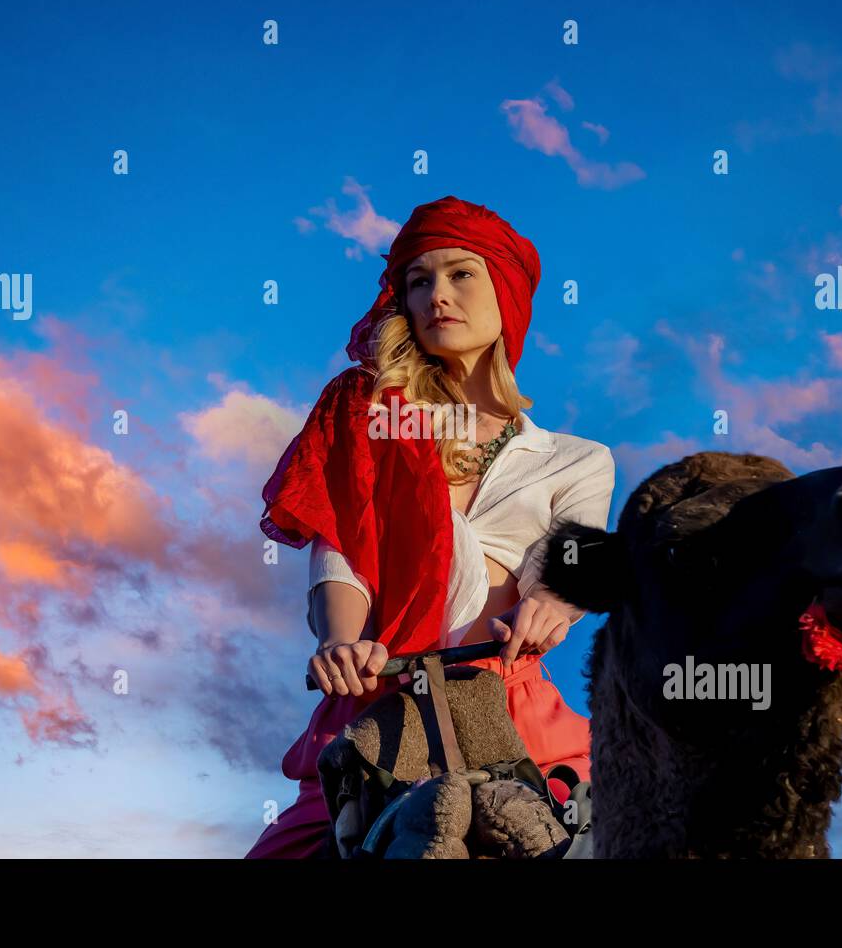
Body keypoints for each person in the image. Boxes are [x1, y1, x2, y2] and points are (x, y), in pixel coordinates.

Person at [245, 195, 615, 858]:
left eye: (460, 274)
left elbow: (568, 562)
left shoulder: (579, 459)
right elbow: (343, 557)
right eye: (420, 281)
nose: (437, 295)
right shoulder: (368, 419)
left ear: (505, 293)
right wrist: (340, 643)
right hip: (379, 705)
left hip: (511, 702)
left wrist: (552, 604)